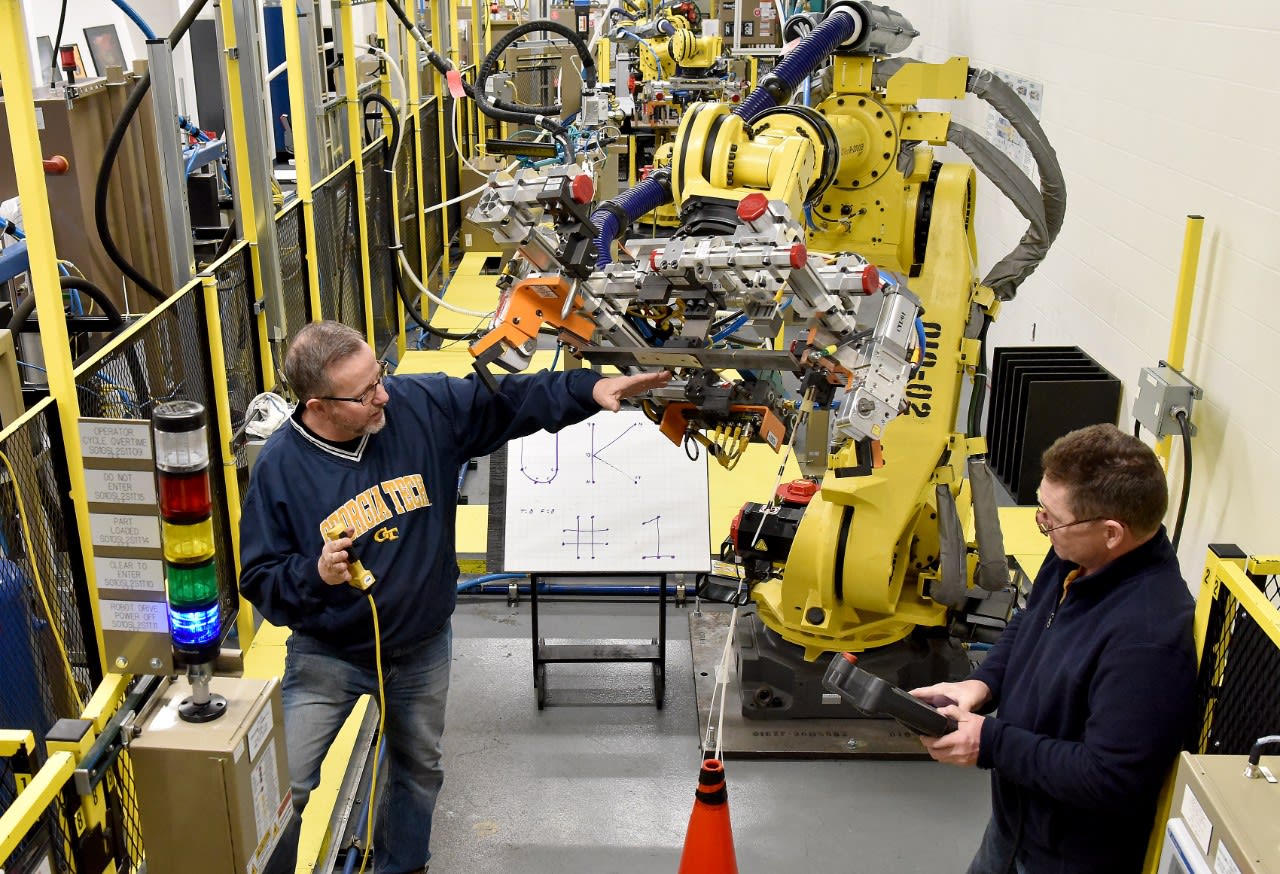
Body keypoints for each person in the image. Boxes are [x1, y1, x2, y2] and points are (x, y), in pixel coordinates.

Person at [239, 320, 670, 874]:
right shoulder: (280, 467)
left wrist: (586, 389)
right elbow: (260, 578)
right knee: (285, 786)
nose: (383, 395)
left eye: (380, 376)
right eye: (364, 392)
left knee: (418, 767)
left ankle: (402, 867)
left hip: (420, 648)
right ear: (318, 404)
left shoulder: (420, 407)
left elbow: (509, 401)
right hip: (329, 655)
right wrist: (313, 574)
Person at [911, 423, 1197, 874]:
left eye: (1051, 517)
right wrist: (982, 685)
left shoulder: (1148, 635)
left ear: (1111, 533)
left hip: (1066, 857)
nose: (1042, 524)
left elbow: (1111, 777)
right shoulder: (1073, 555)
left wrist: (990, 742)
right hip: (1014, 826)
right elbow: (1032, 621)